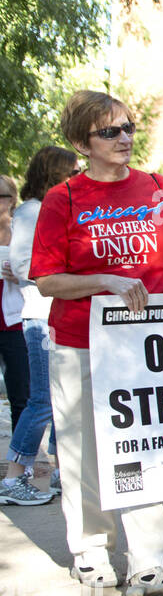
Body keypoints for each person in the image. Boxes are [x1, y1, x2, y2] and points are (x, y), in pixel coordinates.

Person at [29, 90, 163, 596]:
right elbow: (47, 281)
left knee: (146, 447)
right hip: (80, 340)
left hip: (144, 344)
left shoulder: (155, 188)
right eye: (111, 132)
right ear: (84, 141)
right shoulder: (64, 199)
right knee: (83, 450)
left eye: (128, 128)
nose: (125, 138)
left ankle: (149, 563)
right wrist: (104, 280)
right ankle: (90, 552)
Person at [1, 148, 79, 506]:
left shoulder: (56, 208)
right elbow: (21, 265)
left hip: (59, 315)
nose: (78, 175)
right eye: (72, 170)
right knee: (42, 401)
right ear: (54, 172)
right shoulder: (32, 211)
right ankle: (14, 477)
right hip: (40, 317)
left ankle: (62, 471)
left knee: (66, 400)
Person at [0, 174, 31, 440]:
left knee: (20, 395)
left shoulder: (22, 230)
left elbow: (39, 271)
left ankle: (18, 462)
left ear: (10, 200)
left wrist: (19, 274)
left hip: (15, 322)